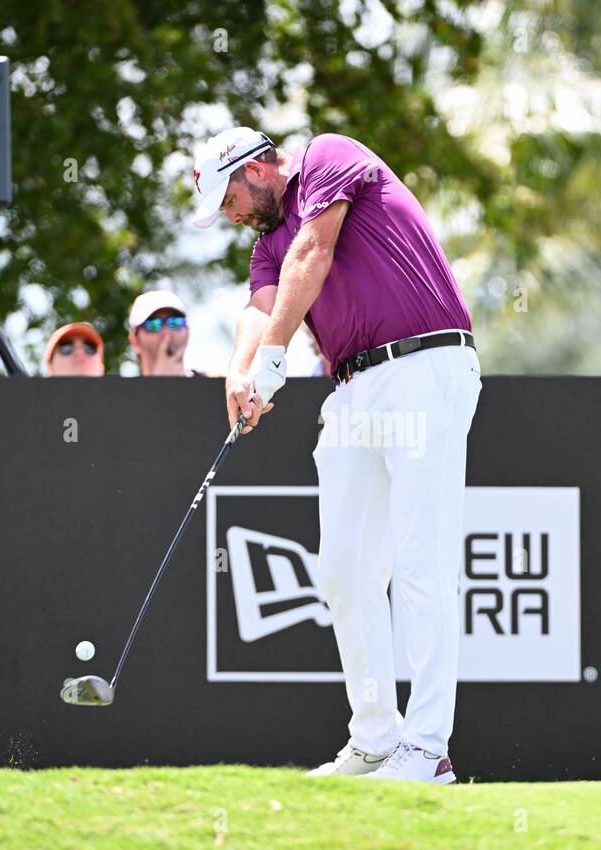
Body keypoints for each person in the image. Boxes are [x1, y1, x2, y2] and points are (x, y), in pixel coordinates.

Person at [191, 127, 482, 784]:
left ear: (258, 169)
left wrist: (272, 359)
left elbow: (314, 250)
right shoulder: (265, 245)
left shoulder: (328, 155)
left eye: (229, 199)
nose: (232, 216)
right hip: (351, 387)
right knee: (344, 570)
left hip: (423, 364)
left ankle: (427, 747)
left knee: (419, 562)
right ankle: (377, 738)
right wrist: (243, 374)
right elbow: (258, 310)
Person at [126, 290, 202, 376]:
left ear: (187, 334)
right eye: (153, 325)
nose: (166, 333)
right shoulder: (123, 389)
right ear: (135, 341)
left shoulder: (214, 386)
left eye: (175, 323)